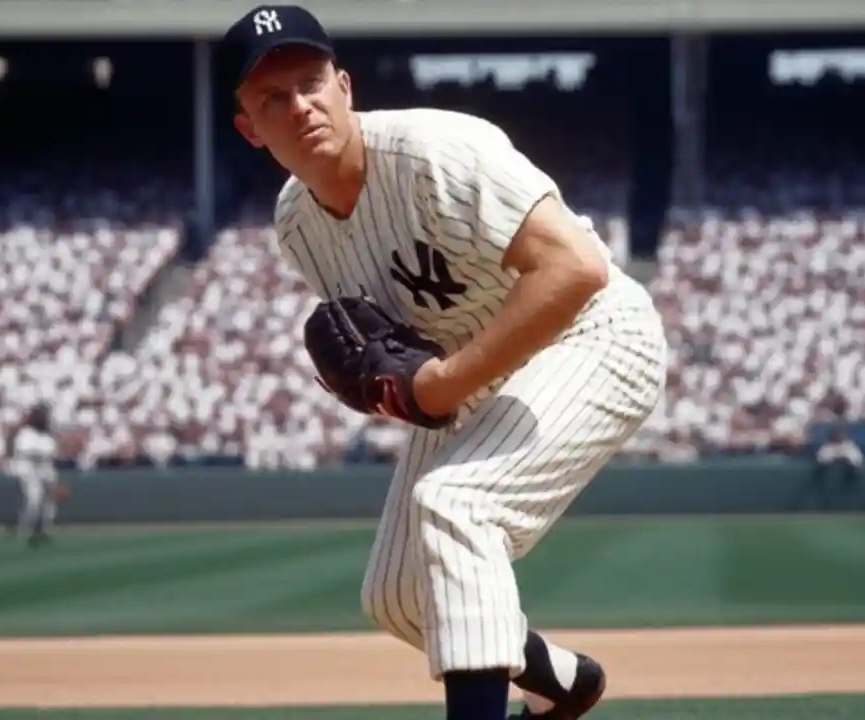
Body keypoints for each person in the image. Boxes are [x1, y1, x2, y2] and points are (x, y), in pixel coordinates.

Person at [218, 6, 669, 719]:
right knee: (399, 597)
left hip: (594, 335)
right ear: (249, 127)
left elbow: (575, 269)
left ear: (344, 85)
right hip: (475, 372)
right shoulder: (297, 225)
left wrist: (438, 384)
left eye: (310, 83)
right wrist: (399, 387)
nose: (299, 106)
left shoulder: (435, 152)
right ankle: (563, 680)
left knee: (457, 506)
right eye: (273, 98)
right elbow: (399, 345)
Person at [7, 404, 63, 548]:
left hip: (45, 470)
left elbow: (52, 452)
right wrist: (41, 454)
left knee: (49, 504)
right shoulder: (26, 433)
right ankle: (22, 528)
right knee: (34, 500)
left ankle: (44, 530)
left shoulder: (47, 436)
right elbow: (25, 451)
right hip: (29, 471)